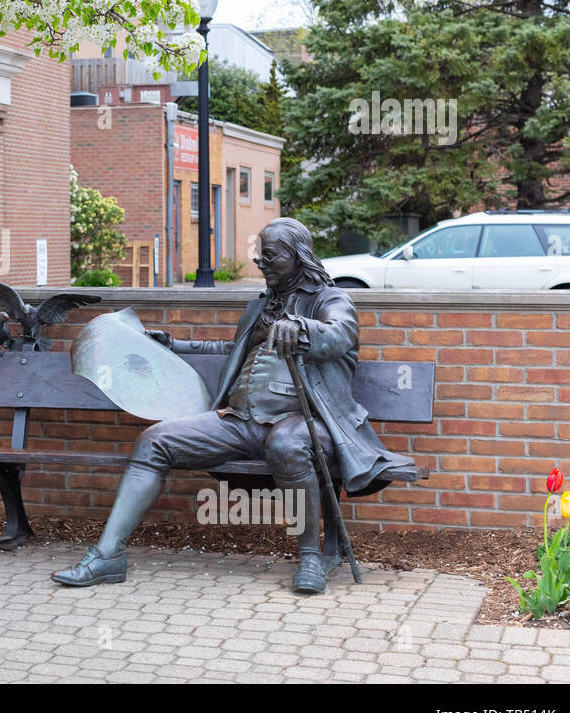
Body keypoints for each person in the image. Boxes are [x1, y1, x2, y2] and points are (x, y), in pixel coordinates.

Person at [51, 217, 413, 594]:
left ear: (297, 256)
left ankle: (310, 556)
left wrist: (302, 329)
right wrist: (173, 345)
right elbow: (230, 349)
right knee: (153, 440)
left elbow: (340, 334)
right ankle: (108, 556)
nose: (260, 262)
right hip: (241, 420)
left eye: (269, 255)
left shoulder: (329, 299)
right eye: (259, 255)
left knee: (286, 443)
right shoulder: (259, 307)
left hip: (306, 422)